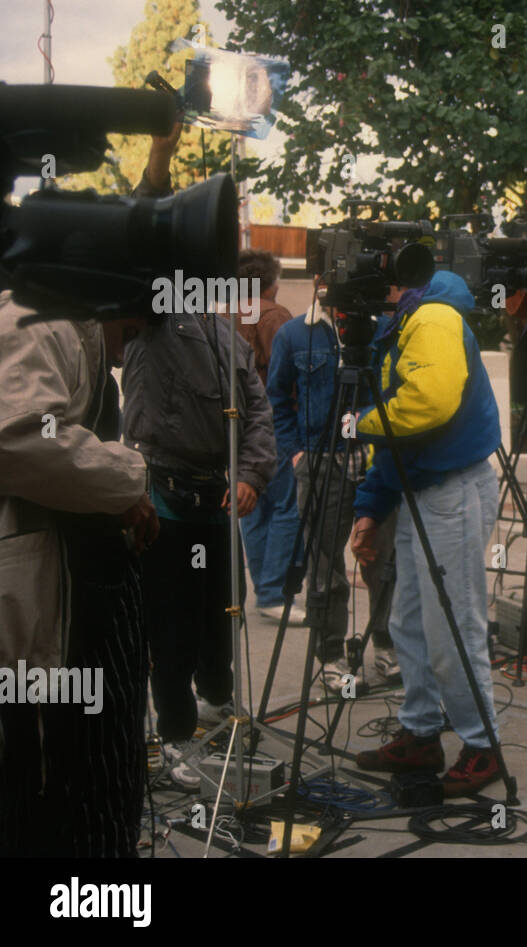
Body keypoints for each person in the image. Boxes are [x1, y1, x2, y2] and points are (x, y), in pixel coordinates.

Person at [124, 125, 277, 787]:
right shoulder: (151, 312)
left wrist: (250, 475)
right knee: (172, 630)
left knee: (221, 620)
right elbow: (139, 233)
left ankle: (221, 716)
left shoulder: (225, 335)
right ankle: (177, 736)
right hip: (164, 499)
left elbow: (260, 413)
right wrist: (160, 154)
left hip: (218, 502)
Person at [0, 298, 159, 856]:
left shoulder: (84, 336)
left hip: (81, 595)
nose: (129, 346)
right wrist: (128, 479)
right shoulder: (39, 320)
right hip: (47, 612)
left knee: (97, 777)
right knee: (46, 784)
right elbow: (20, 437)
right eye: (133, 328)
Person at [348, 272, 505, 797]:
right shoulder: (402, 321)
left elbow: (424, 408)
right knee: (409, 620)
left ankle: (483, 747)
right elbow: (398, 441)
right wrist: (372, 506)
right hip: (425, 489)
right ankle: (420, 734)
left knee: (452, 627)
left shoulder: (433, 316)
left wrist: (360, 421)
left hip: (452, 490)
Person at [265, 291, 400, 690]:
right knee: (324, 567)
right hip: (320, 459)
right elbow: (276, 398)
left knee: (383, 561)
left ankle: (387, 646)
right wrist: (296, 454)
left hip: (373, 455)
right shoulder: (295, 335)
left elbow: (394, 393)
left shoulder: (381, 333)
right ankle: (331, 654)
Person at [233, 249, 304, 623]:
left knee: (253, 507)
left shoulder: (223, 313)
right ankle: (273, 593)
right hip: (274, 423)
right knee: (285, 506)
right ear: (272, 283)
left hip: (236, 425)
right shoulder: (275, 316)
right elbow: (289, 376)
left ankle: (265, 589)